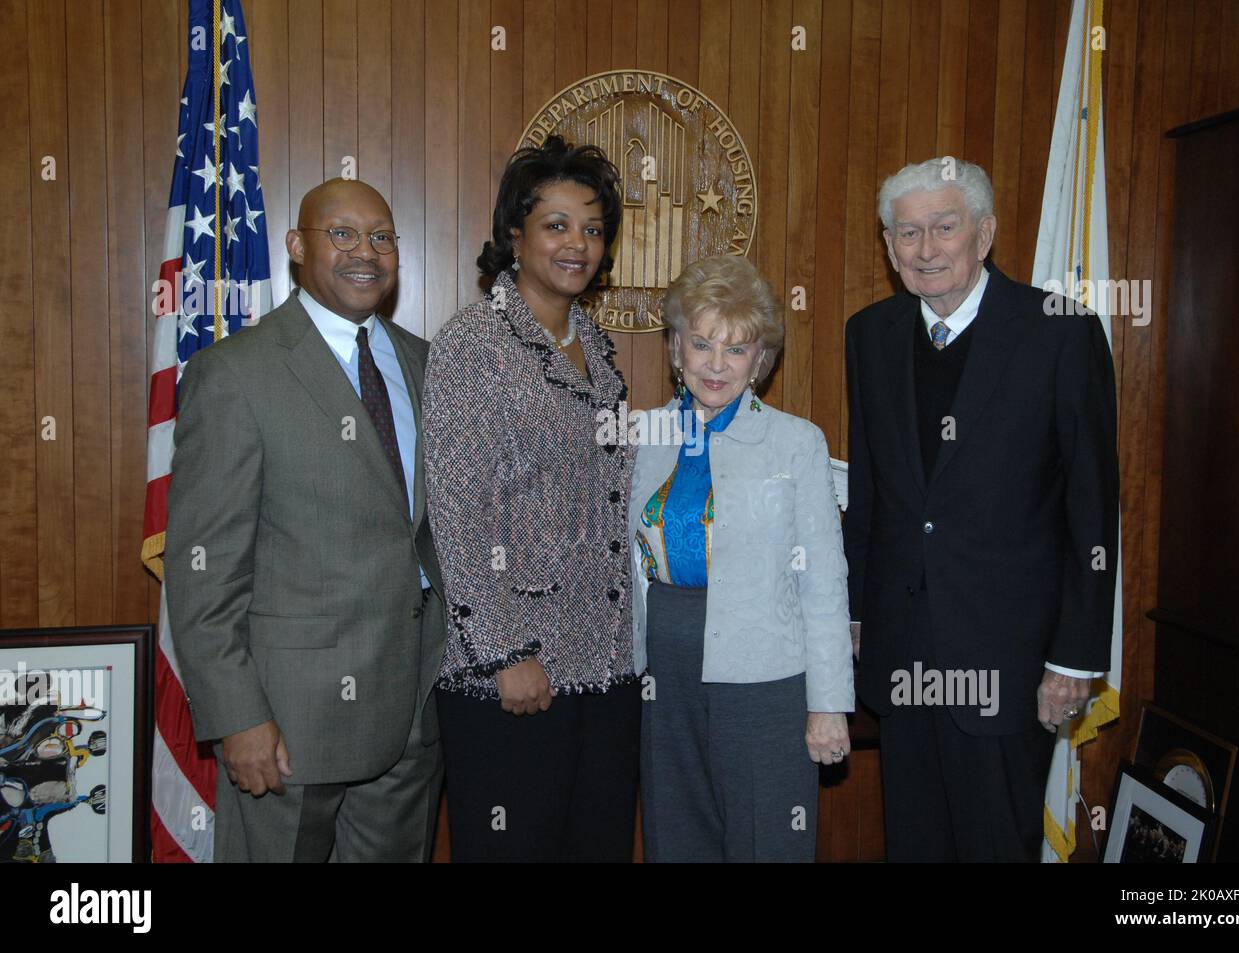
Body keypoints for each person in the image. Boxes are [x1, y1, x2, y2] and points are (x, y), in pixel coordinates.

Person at [843, 157, 1119, 861]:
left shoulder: (1060, 331)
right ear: (887, 244)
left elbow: (1093, 507)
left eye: (944, 226)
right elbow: (870, 493)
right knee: (914, 844)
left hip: (1011, 661)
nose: (926, 248)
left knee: (996, 844)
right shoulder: (869, 334)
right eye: (907, 232)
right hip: (903, 656)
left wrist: (1077, 656)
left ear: (986, 233)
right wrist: (852, 616)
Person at [166, 178, 447, 862]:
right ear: (297, 246)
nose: (367, 253)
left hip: (409, 718)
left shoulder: (424, 363)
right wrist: (238, 716)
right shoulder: (235, 374)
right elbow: (203, 569)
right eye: (342, 234)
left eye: (382, 237)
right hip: (289, 727)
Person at [422, 135, 639, 862]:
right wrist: (504, 651)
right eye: (557, 224)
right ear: (514, 236)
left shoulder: (601, 353)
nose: (578, 243)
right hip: (514, 677)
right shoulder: (473, 345)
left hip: (604, 670)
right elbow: (456, 513)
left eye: (593, 228)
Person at [629, 254, 855, 862]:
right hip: (663, 671)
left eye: (736, 348)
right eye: (702, 343)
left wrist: (829, 705)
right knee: (677, 835)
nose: (716, 364)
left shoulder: (796, 442)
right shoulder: (640, 437)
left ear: (761, 359)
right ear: (675, 348)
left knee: (768, 840)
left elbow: (825, 585)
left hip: (764, 679)